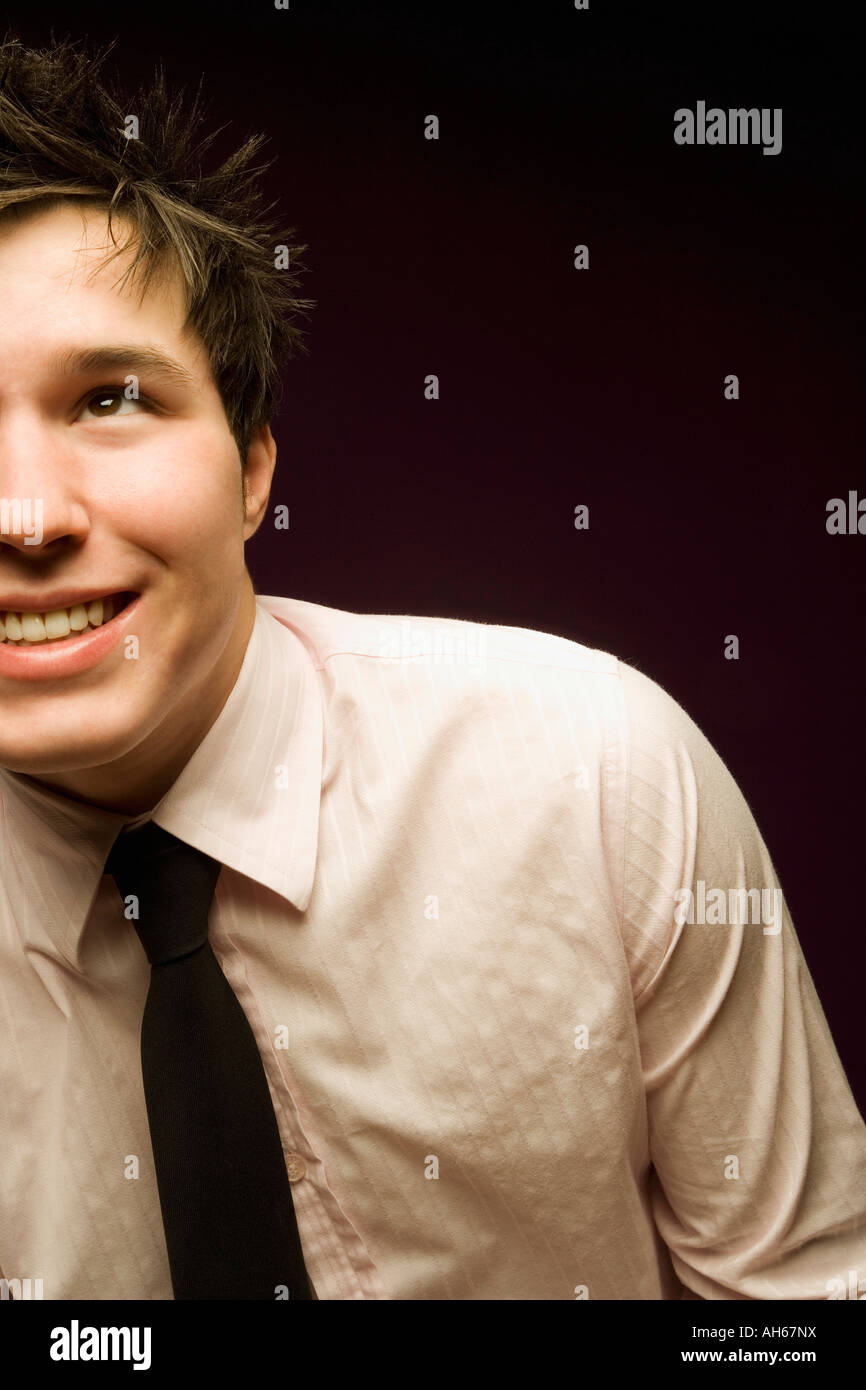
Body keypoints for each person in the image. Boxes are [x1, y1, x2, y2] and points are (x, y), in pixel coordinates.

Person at [0, 34, 864, 1303]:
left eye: (111, 399)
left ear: (252, 470)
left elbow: (800, 1300)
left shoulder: (594, 779)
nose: (25, 515)